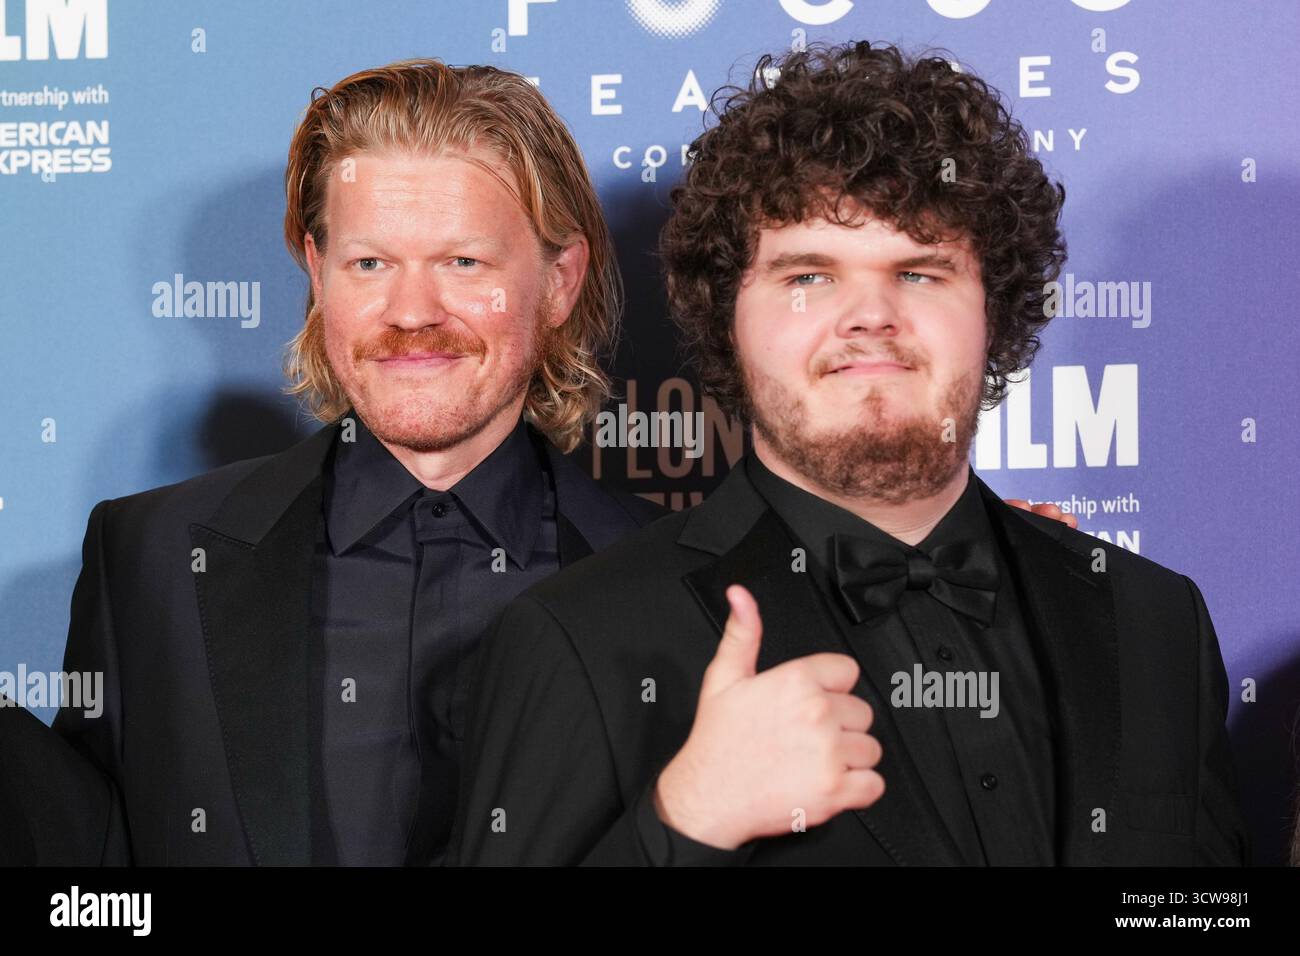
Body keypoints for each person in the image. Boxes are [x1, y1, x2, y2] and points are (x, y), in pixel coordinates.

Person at [0, 56, 1072, 866]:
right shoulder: (153, 553)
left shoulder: (706, 583)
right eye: (370, 262)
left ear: (560, 281)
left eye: (464, 262)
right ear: (316, 270)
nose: (410, 312)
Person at [449, 41, 1250, 866]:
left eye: (921, 273)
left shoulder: (1152, 619)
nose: (870, 316)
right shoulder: (584, 639)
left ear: (996, 310)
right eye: (809, 277)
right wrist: (684, 821)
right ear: (729, 316)